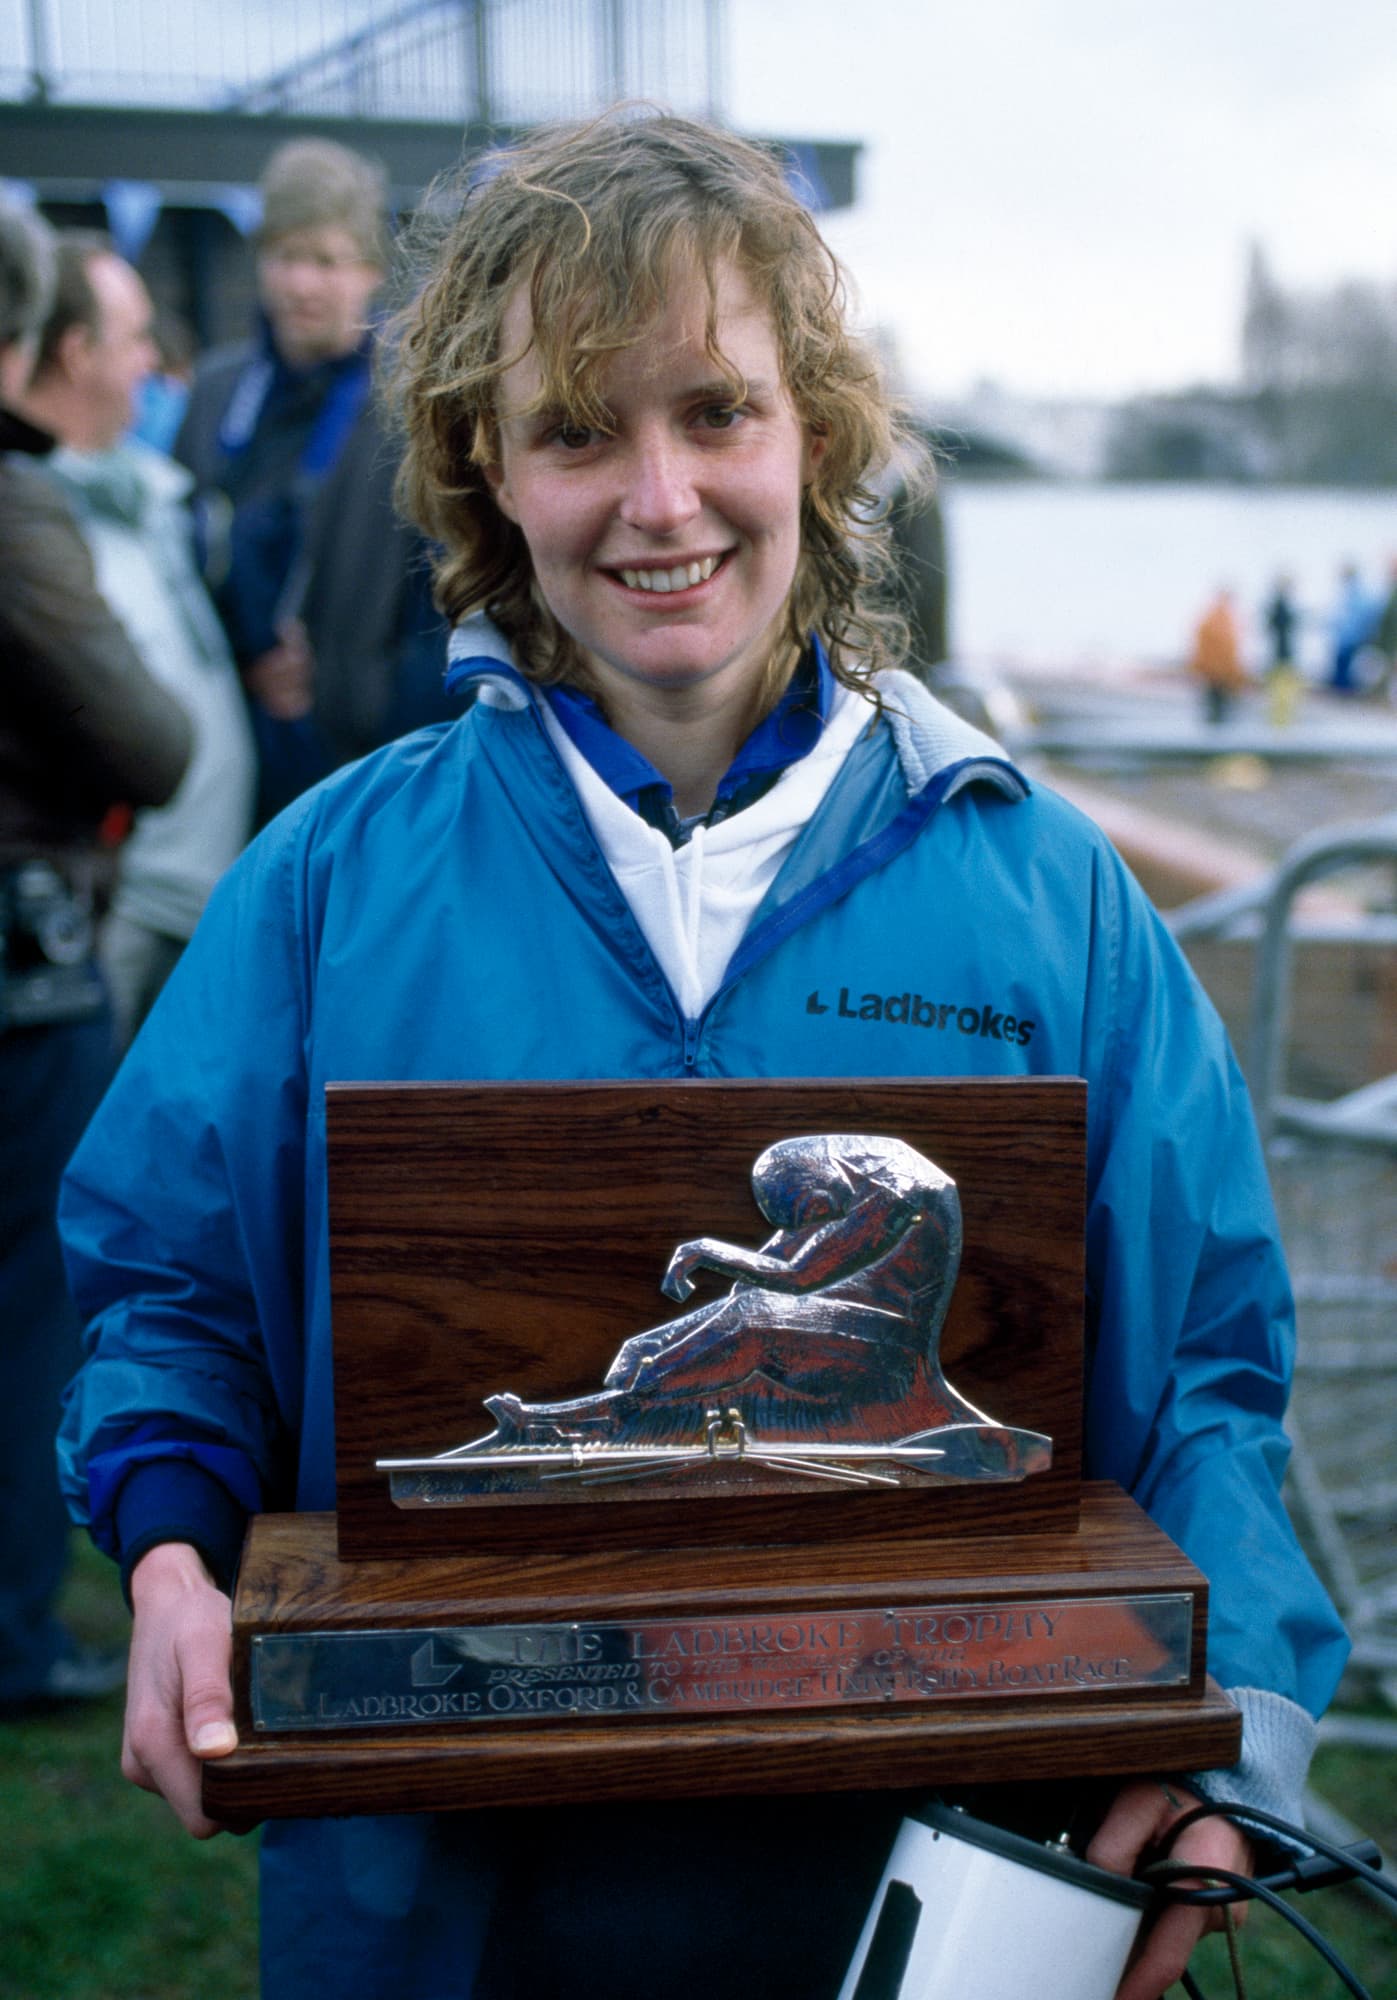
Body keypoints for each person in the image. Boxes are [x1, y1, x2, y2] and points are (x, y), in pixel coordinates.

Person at [57, 115, 1347, 2000]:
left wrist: (1221, 1740)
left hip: (928, 1890)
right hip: (433, 1905)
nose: (659, 501)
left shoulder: (1042, 895)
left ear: (814, 430)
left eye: (717, 412)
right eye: (578, 431)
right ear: (487, 469)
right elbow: (169, 1298)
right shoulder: (331, 884)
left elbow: (1207, 1380)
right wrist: (173, 1558)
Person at [0, 195, 192, 1713]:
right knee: (30, 1296)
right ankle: (15, 1630)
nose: (149, 364)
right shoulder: (20, 509)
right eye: (126, 338)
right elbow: (147, 732)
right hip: (28, 956)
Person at [175, 138, 460, 824]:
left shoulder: (411, 405)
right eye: (286, 257)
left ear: (368, 270)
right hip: (232, 754)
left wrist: (333, 691)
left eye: (326, 261)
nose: (302, 285)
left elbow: (448, 603)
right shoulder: (217, 395)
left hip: (364, 761)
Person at [19, 234, 255, 1042]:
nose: (153, 361)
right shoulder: (34, 518)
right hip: (116, 912)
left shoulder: (143, 490)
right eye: (136, 338)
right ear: (79, 352)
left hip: (202, 899)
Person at [1188, 585, 1246, 725]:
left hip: (1213, 674)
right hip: (1219, 675)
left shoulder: (1211, 618)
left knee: (1215, 712)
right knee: (1219, 712)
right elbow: (1227, 651)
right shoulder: (1222, 621)